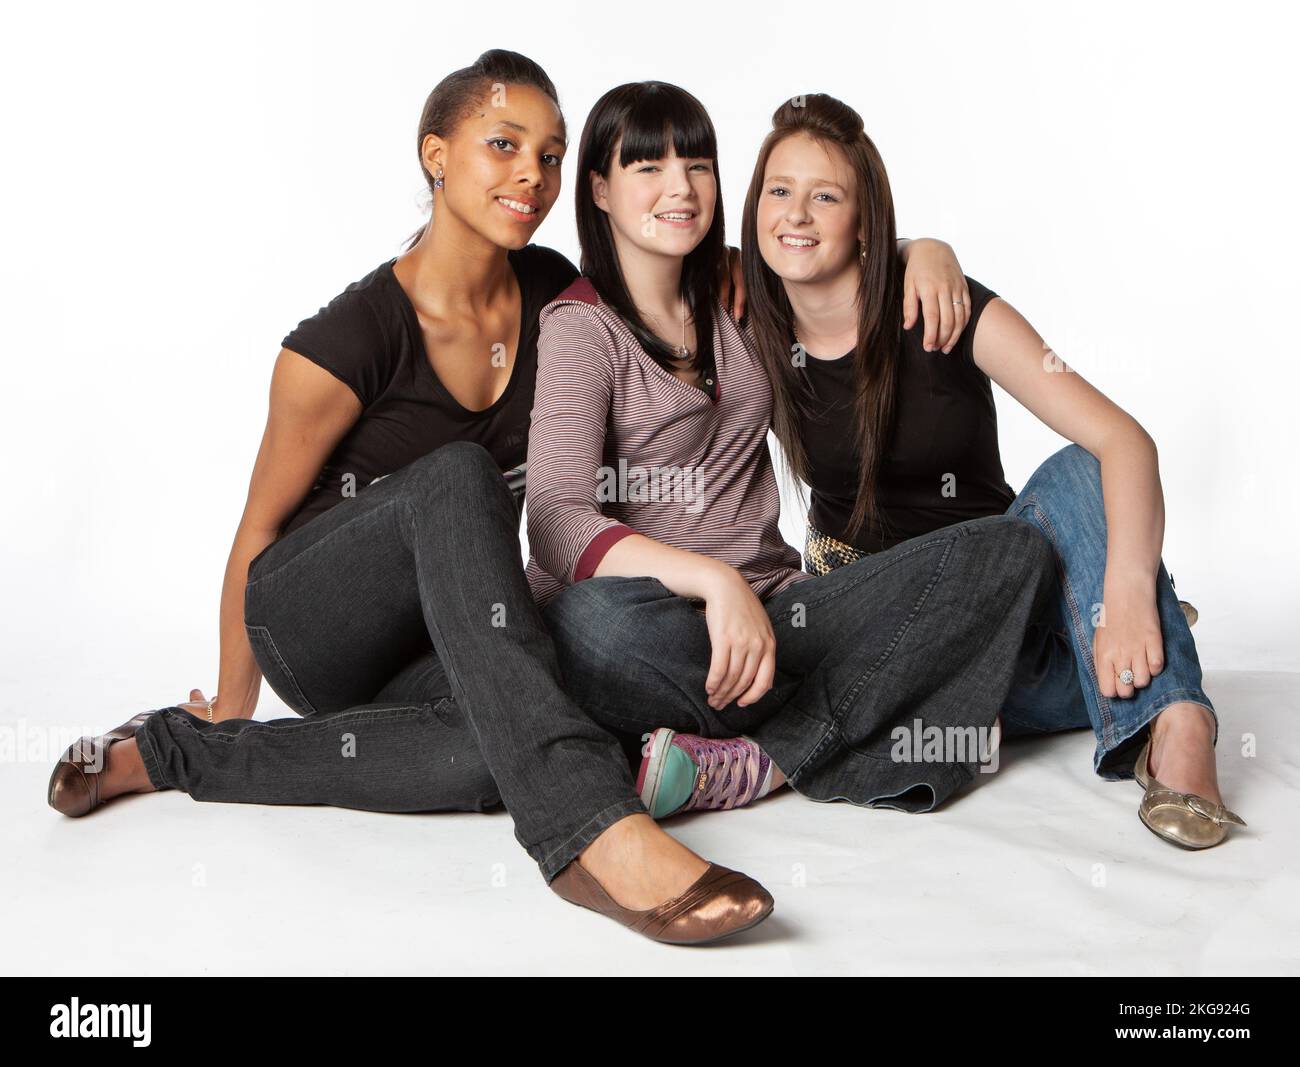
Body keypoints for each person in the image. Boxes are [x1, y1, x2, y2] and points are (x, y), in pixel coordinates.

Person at [47, 50, 781, 946]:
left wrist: (727, 263)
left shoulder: (555, 292)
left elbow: (658, 263)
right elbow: (257, 530)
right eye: (503, 144)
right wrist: (236, 697)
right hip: (314, 620)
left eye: (550, 156)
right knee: (458, 474)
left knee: (501, 742)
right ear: (435, 154)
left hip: (452, 628)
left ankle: (168, 752)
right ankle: (595, 833)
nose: (532, 176)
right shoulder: (344, 341)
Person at [636, 93, 1245, 851]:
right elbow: (647, 262)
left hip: (1006, 591)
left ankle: (1176, 718)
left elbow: (1126, 442)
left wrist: (1123, 593)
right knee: (927, 681)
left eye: (826, 195)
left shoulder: (943, 308)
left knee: (1076, 470)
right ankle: (1103, 646)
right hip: (880, 626)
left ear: (865, 219)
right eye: (778, 191)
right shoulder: (747, 316)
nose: (796, 213)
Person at [524, 80, 1061, 882]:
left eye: (698, 164)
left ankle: (760, 758)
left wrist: (926, 250)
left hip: (783, 617)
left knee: (1009, 549)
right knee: (596, 627)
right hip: (657, 627)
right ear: (598, 189)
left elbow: (839, 248)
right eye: (647, 168)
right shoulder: (579, 329)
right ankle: (900, 706)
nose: (680, 187)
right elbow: (558, 523)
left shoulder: (745, 294)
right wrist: (710, 583)